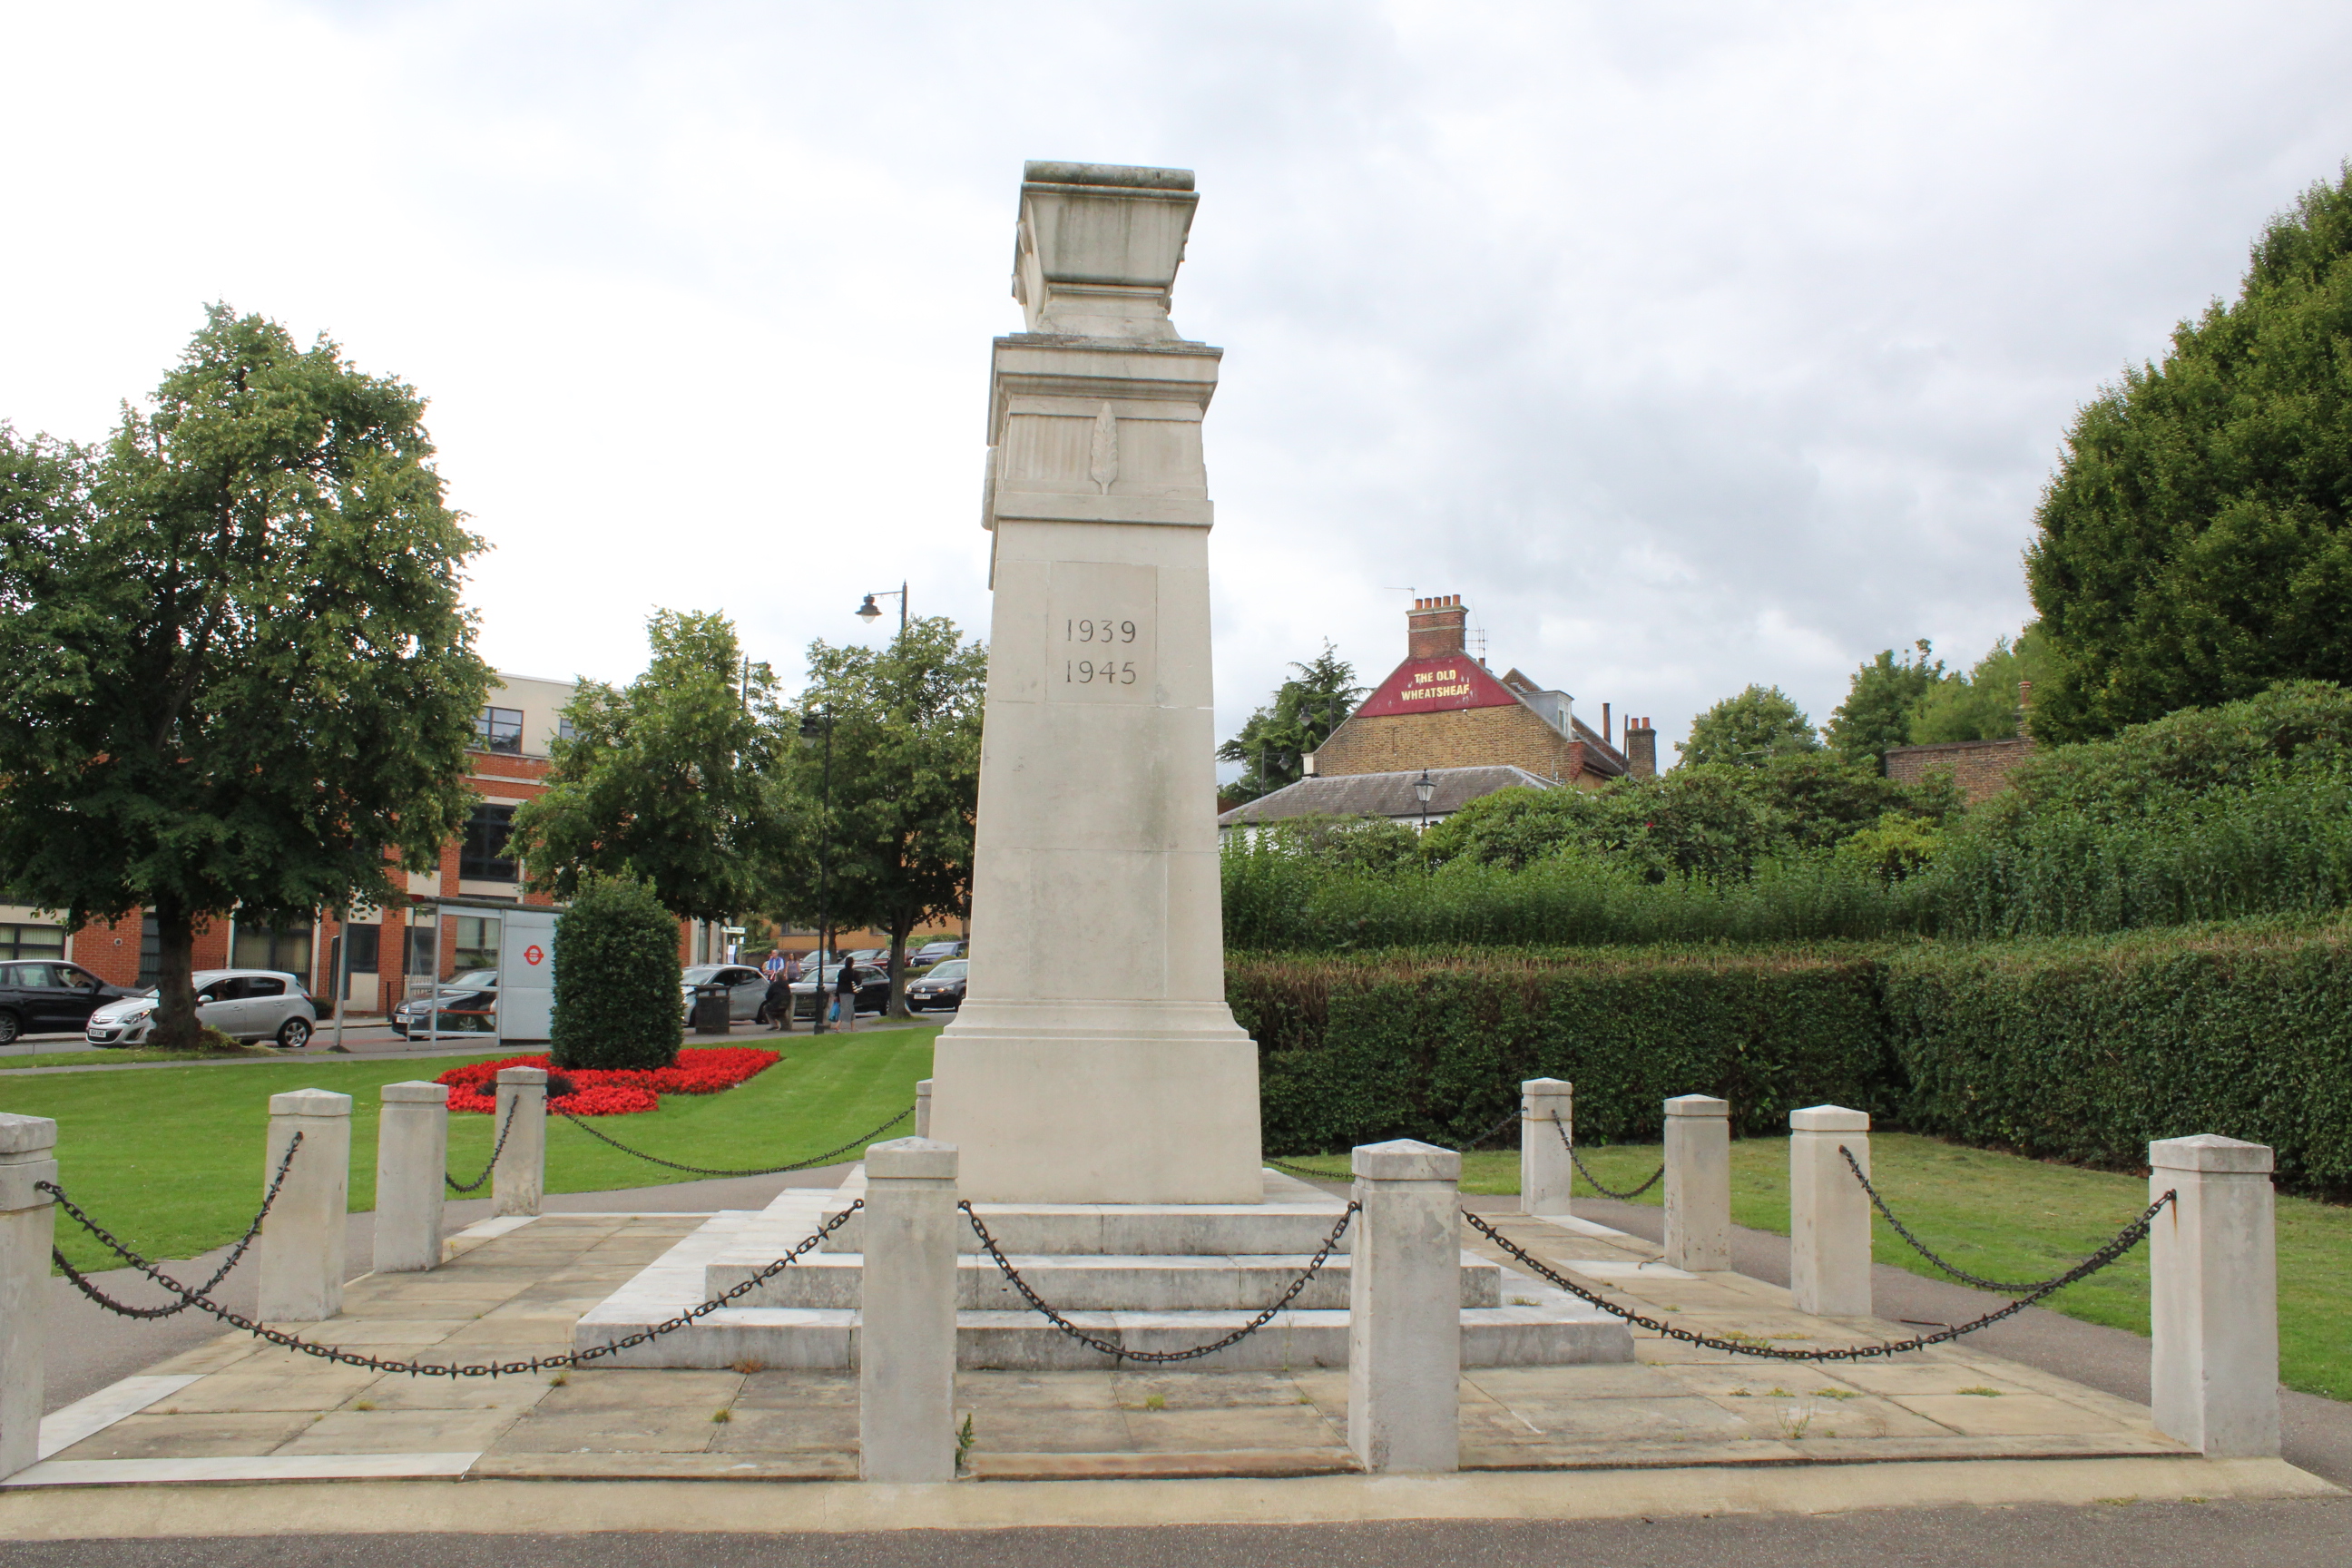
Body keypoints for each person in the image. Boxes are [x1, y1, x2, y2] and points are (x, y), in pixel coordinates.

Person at [833, 959, 858, 1033]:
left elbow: (839, 983)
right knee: (846, 1009)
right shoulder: (854, 972)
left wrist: (836, 995)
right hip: (850, 992)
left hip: (841, 992)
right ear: (852, 963)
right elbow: (858, 981)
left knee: (850, 1008)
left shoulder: (841, 972)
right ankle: (837, 1025)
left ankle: (853, 1027)